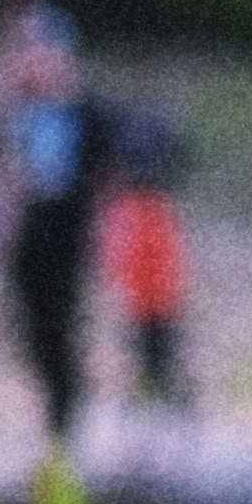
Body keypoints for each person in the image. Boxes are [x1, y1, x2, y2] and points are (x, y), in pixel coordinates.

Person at [0, 0, 93, 441]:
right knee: (33, 326)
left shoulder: (75, 113)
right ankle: (57, 416)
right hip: (25, 234)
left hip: (60, 231)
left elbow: (90, 172)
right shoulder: (8, 114)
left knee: (58, 325)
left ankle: (66, 420)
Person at [100, 147, 191, 407]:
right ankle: (156, 394)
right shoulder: (155, 210)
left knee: (151, 351)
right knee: (156, 351)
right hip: (155, 297)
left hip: (147, 298)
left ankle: (155, 394)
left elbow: (116, 257)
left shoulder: (133, 212)